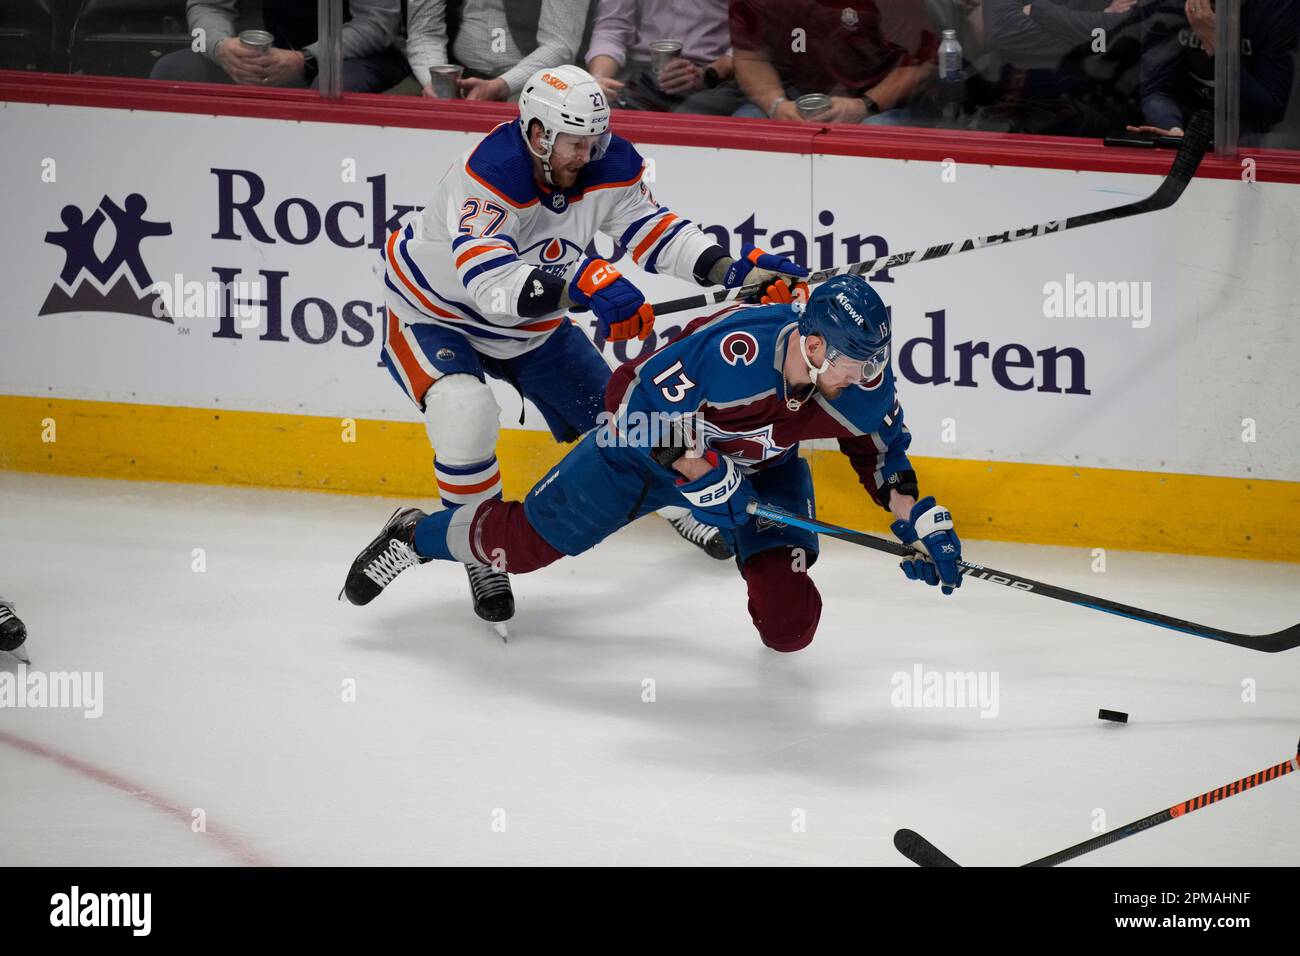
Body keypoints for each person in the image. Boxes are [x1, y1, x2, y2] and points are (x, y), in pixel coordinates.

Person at [369, 63, 807, 633]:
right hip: (435, 315)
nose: (587, 153)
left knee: (629, 421)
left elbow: (653, 232)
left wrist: (729, 270)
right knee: (463, 410)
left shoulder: (608, 162)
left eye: (594, 139)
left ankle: (673, 502)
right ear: (536, 134)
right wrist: (583, 284)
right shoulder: (489, 174)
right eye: (575, 142)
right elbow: (492, 285)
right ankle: (476, 547)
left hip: (533, 329)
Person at [342, 275, 964, 652]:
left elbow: (883, 456)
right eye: (857, 364)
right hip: (638, 456)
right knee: (524, 548)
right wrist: (701, 473)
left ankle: (741, 538)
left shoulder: (858, 384)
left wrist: (918, 521)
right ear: (816, 346)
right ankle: (416, 536)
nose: (867, 378)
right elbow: (628, 404)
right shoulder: (734, 349)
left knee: (790, 625)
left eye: (873, 364)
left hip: (760, 470)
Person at [729, 0, 939, 125]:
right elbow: (750, 57)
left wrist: (864, 106)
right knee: (746, 130)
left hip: (888, 101)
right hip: (801, 93)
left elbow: (923, 64)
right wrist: (776, 105)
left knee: (869, 141)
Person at [1131, 0, 1300, 144]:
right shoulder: (1169, 3)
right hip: (1185, 118)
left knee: (1275, 142)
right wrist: (1173, 131)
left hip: (1248, 130)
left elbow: (1271, 108)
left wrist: (1220, 47)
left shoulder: (1276, 7)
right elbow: (1156, 89)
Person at [150, 0, 408, 93]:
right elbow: (207, 6)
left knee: (333, 89)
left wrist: (305, 59)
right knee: (172, 71)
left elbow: (378, 23)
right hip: (271, 52)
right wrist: (221, 48)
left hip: (355, 54)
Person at [405, 0, 592, 100]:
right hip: (456, 70)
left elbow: (559, 44)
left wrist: (502, 85)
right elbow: (424, 31)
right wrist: (436, 82)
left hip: (537, 80)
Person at [584, 0, 744, 115]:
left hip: (715, 74)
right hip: (641, 69)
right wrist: (598, 79)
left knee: (688, 126)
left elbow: (753, 41)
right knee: (596, 114)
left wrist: (710, 73)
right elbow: (612, 28)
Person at [0, 598, 29, 664]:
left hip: (8, 632)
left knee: (10, 634)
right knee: (11, 634)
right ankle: (26, 662)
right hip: (15, 628)